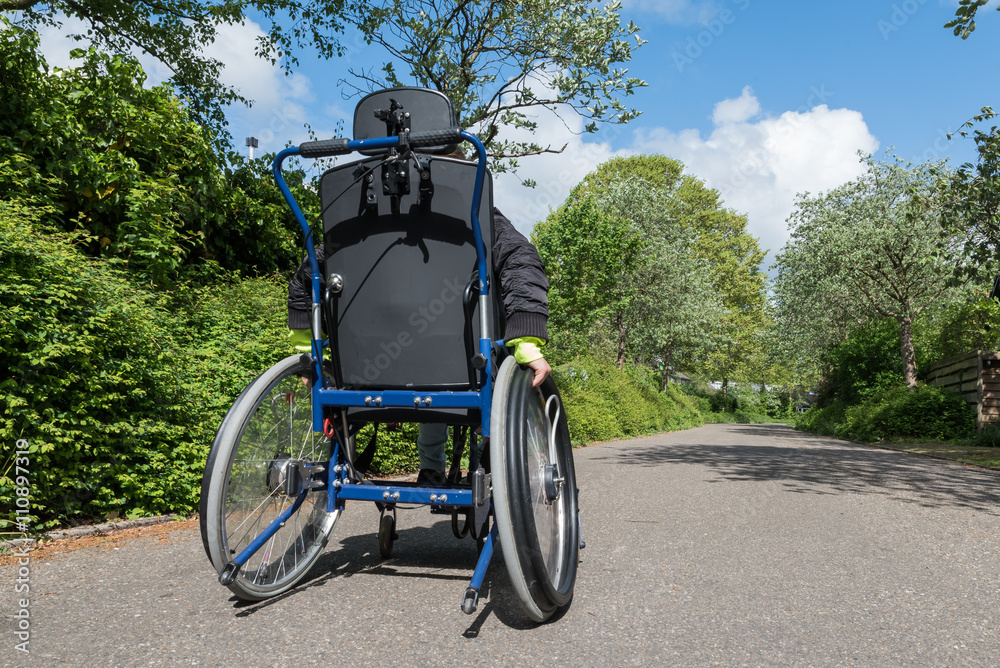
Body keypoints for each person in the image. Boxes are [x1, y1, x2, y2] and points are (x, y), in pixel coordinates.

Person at [287, 198, 551, 485]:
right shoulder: (476, 214)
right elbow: (522, 262)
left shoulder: (357, 225)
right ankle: (488, 460)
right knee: (446, 364)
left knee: (428, 365)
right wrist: (526, 342)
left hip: (369, 372)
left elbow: (305, 277)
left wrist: (308, 353)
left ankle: (431, 469)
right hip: (462, 367)